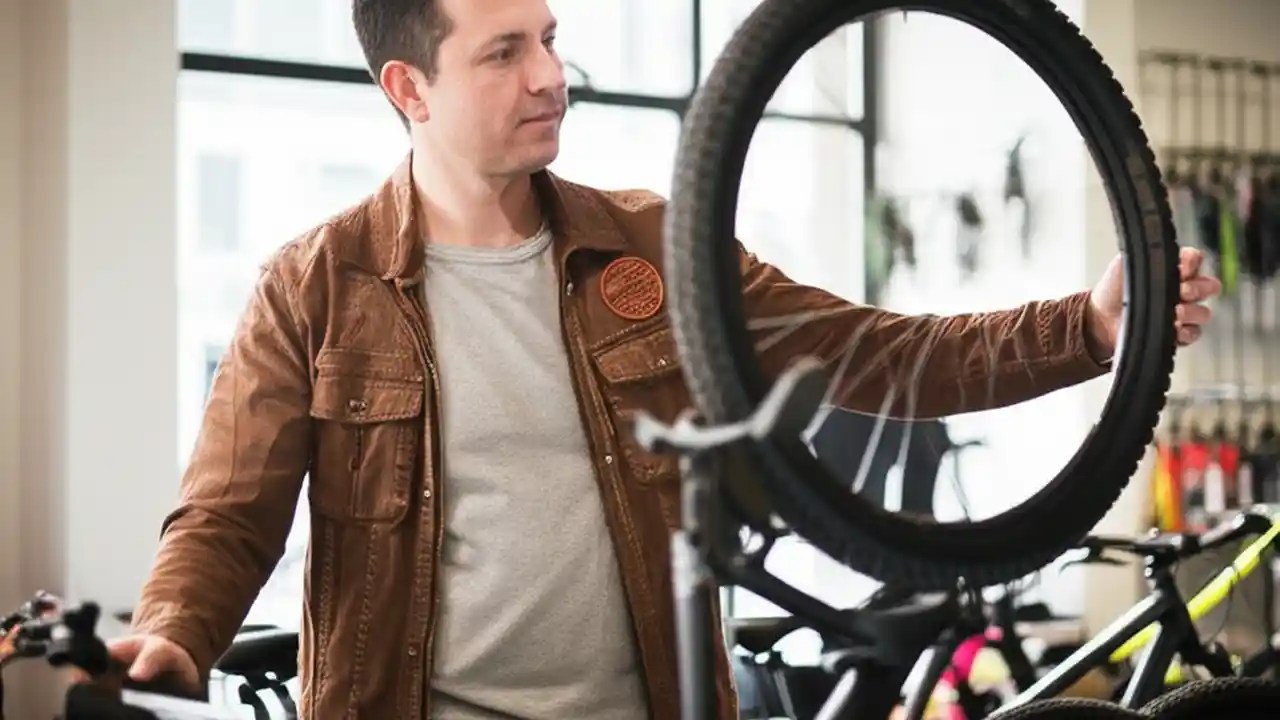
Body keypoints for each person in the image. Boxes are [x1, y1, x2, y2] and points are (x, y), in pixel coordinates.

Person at [107, 1, 1223, 718]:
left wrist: (1086, 327)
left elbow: (878, 357)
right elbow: (227, 515)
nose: (551, 74)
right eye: (505, 52)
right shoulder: (313, 285)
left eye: (548, 38)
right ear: (410, 90)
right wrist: (168, 638)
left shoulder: (650, 244)